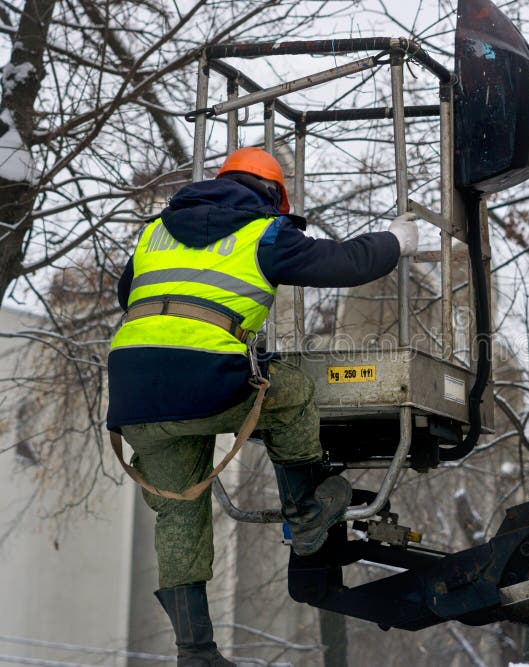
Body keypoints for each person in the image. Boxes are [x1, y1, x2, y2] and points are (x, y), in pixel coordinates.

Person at [106, 147, 418, 666]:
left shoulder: (152, 234)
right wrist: (394, 242)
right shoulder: (263, 232)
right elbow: (343, 263)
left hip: (134, 396)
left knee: (180, 514)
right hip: (205, 380)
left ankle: (196, 652)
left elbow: (129, 296)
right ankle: (306, 511)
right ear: (274, 197)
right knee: (289, 389)